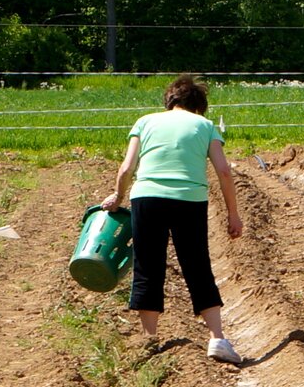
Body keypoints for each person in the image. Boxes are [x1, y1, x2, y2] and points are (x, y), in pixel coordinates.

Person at [102, 74, 243, 363]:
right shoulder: (205, 126)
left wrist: (117, 196)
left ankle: (149, 340)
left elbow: (127, 167)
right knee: (197, 266)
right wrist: (233, 213)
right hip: (188, 200)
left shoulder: (146, 121)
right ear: (199, 106)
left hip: (147, 197)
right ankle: (217, 339)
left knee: (148, 266)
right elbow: (224, 171)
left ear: (170, 100)